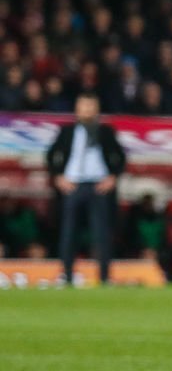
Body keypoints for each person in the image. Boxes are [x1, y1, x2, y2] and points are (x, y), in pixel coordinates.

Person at [46, 92, 126, 284]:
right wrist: (58, 177)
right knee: (68, 232)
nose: (87, 110)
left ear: (97, 109)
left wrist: (112, 177)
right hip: (73, 186)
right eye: (84, 106)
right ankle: (66, 275)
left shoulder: (105, 132)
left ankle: (105, 277)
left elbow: (121, 157)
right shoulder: (67, 132)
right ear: (77, 109)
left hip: (98, 187)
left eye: (91, 106)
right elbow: (50, 155)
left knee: (102, 233)